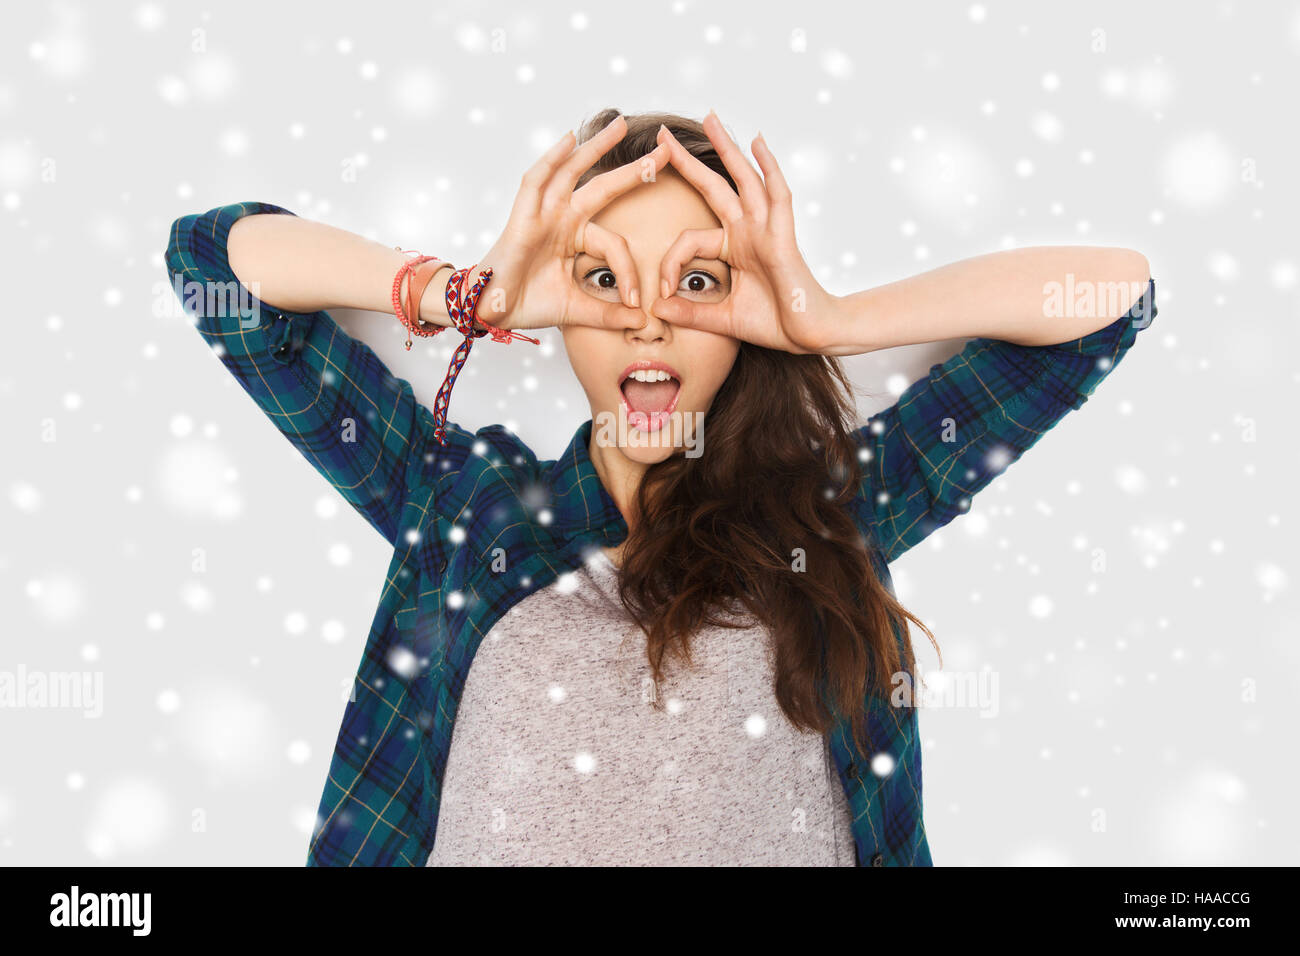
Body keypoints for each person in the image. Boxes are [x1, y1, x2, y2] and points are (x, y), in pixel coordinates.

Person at [164, 108, 1156, 866]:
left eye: (695, 281)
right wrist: (467, 295)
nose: (646, 320)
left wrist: (828, 316)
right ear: (556, 310)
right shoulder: (468, 505)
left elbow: (1111, 303)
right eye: (603, 279)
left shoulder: (834, 513)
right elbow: (213, 265)